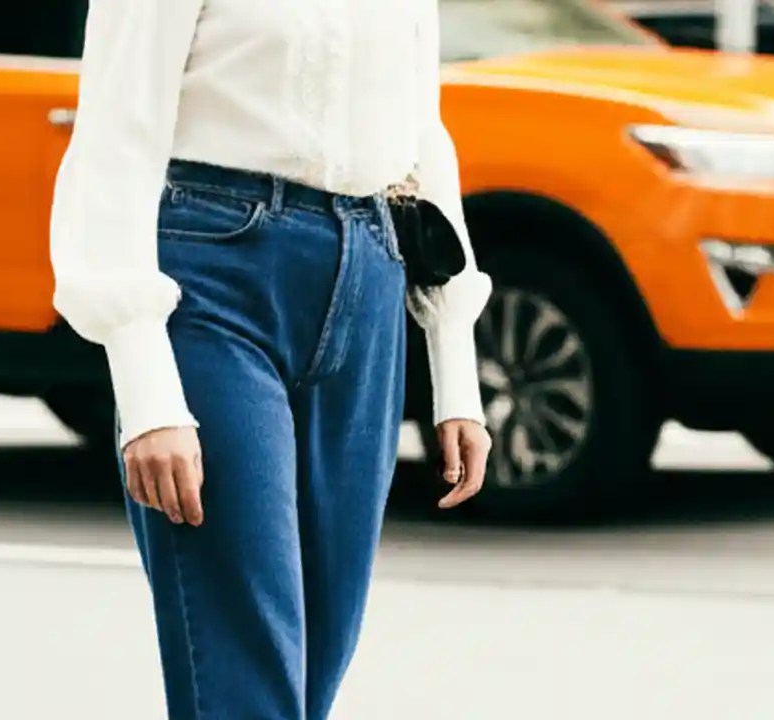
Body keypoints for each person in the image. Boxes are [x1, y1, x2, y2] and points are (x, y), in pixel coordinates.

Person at [49, 1, 493, 717]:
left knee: (315, 666)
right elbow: (117, 132)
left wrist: (454, 367)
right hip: (213, 273)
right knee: (243, 666)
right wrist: (147, 392)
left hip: (370, 270)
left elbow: (422, 136)